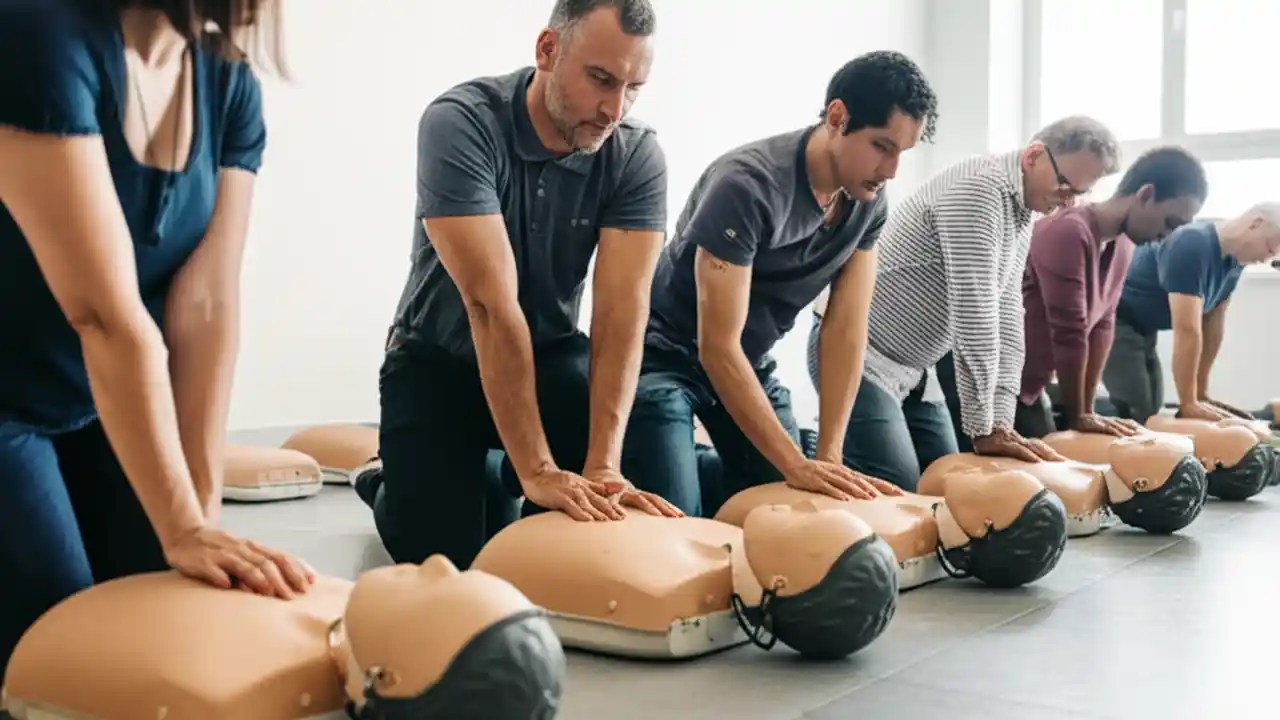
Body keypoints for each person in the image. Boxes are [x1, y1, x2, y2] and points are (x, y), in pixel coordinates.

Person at [0, 0, 313, 679]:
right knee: (67, 641)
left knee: (175, 612)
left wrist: (201, 514)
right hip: (11, 399)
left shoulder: (228, 85)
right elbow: (105, 313)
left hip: (96, 399)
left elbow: (205, 306)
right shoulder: (36, 39)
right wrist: (180, 527)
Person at [354, 0, 681, 571]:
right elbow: (488, 304)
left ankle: (508, 468)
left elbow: (622, 313)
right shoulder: (460, 122)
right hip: (436, 360)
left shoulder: (635, 153)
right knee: (448, 560)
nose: (613, 109)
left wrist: (602, 464)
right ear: (548, 50)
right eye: (601, 80)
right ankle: (388, 478)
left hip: (550, 356)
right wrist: (538, 470)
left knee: (628, 500)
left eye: (634, 88)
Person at [619, 51, 938, 517]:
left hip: (749, 361)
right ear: (837, 117)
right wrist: (795, 463)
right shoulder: (746, 185)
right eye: (881, 146)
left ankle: (712, 467)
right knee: (677, 518)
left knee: (794, 505)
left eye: (901, 154)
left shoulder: (868, 200)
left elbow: (845, 330)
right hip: (666, 359)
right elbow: (716, 346)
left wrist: (827, 456)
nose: (891, 171)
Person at [808, 116, 1121, 492]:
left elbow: (1008, 314)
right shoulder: (978, 191)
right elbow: (975, 313)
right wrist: (982, 428)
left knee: (948, 485)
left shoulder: (1024, 208)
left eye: (1079, 194)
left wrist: (1001, 423)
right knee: (898, 487)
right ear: (1034, 156)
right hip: (860, 357)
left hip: (917, 372)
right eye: (1065, 185)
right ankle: (811, 449)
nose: (1067, 201)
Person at [1015, 147, 1208, 439]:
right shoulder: (1068, 230)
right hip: (988, 379)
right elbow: (1069, 331)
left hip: (1029, 384)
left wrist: (1087, 411)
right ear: (1145, 195)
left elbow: (1102, 327)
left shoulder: (1124, 245)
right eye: (1171, 222)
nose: (1168, 235)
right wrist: (1079, 415)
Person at [1103, 202, 1280, 423]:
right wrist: (1188, 403)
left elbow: (1212, 323)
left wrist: (1200, 393)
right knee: (1139, 412)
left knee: (1152, 410)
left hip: (1144, 326)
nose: (1265, 259)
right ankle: (1071, 414)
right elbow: (1187, 329)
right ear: (1256, 224)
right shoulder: (1192, 243)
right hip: (1113, 317)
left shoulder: (1236, 260)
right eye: (1270, 248)